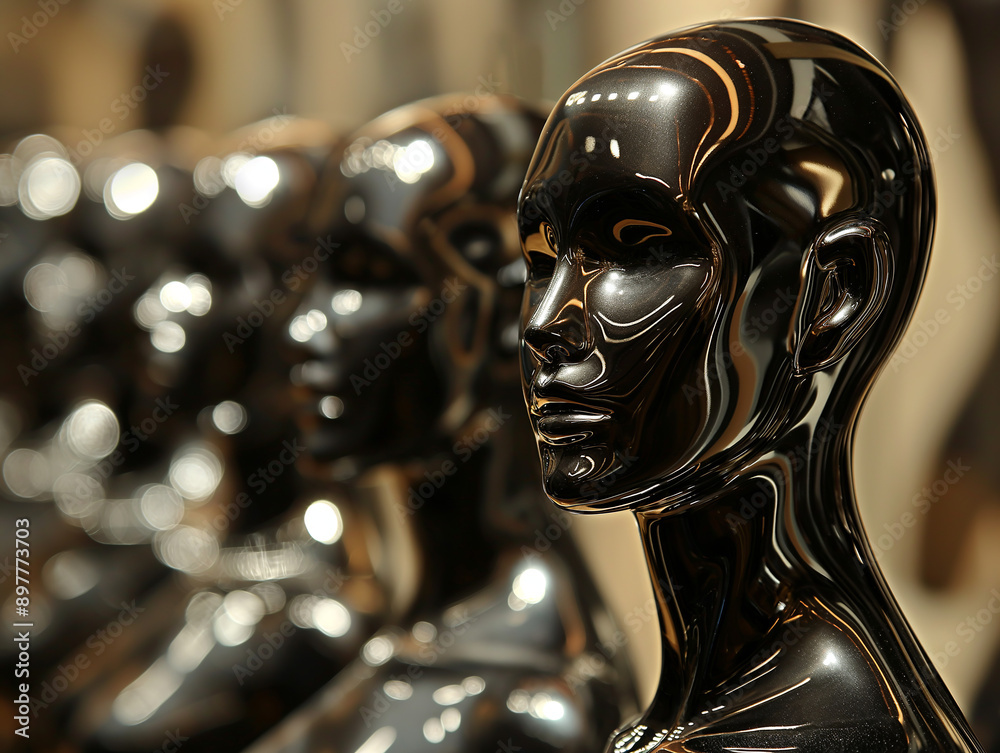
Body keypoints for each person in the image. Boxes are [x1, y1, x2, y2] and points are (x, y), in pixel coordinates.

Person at [518, 18, 982, 752]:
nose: (545, 322)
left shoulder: (815, 734)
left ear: (835, 295)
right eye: (543, 260)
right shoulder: (724, 714)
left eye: (639, 247)